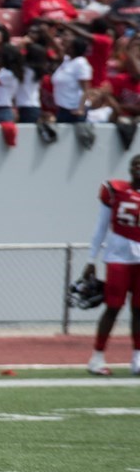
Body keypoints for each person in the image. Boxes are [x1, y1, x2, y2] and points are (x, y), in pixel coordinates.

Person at [85, 155, 140, 376]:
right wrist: (91, 259)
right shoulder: (116, 191)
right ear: (129, 168)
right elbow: (100, 226)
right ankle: (97, 357)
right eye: (135, 164)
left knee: (139, 310)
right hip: (118, 259)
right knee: (113, 307)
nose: (139, 168)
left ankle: (137, 358)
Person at [50, 37, 92, 124]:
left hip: (74, 110)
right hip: (63, 108)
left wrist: (80, 109)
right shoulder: (67, 60)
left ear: (73, 49)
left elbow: (86, 89)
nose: (65, 46)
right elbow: (57, 47)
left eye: (69, 45)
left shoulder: (81, 63)